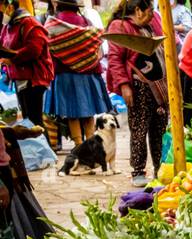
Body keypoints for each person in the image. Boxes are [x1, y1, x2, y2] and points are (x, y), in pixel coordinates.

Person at [106, 0, 167, 186]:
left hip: (158, 87)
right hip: (138, 87)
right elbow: (115, 59)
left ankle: (160, 168)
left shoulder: (150, 24)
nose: (151, 14)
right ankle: (138, 171)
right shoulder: (120, 26)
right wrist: (124, 85)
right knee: (139, 129)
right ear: (138, 10)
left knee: (160, 130)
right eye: (149, 11)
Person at [43, 0, 112, 151]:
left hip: (64, 74)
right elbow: (96, 42)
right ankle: (92, 144)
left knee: (72, 113)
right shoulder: (85, 21)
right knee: (88, 113)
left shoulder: (52, 24)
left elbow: (48, 46)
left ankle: (79, 146)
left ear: (58, 5)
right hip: (88, 72)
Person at [0, 0, 54, 133]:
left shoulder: (29, 23)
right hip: (19, 78)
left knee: (35, 120)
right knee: (27, 120)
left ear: (10, 6)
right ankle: (36, 153)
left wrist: (13, 58)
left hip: (34, 78)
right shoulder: (8, 26)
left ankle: (45, 153)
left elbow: (34, 49)